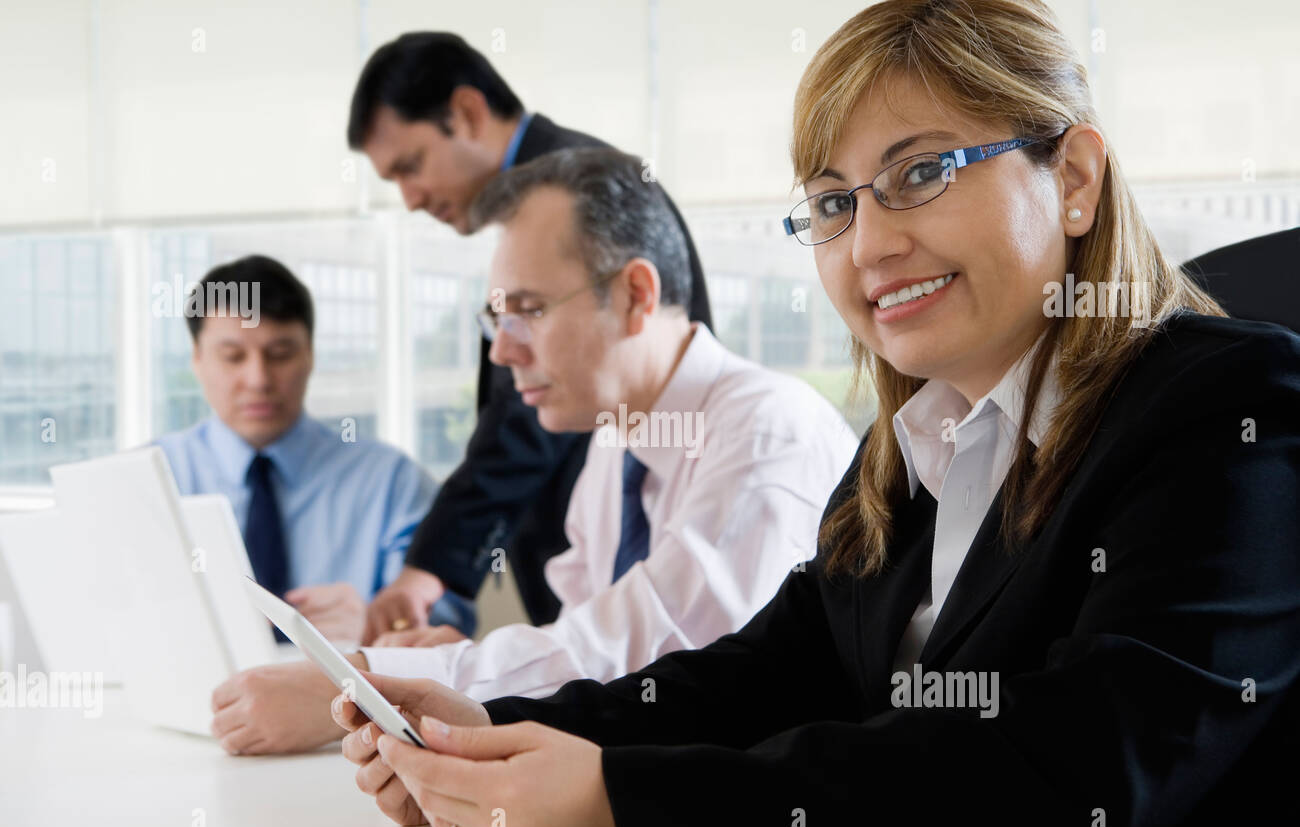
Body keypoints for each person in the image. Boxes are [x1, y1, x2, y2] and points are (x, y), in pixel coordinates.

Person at [329, 0, 1300, 827]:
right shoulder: (905, 456)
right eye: (835, 201)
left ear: (1075, 178)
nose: (870, 244)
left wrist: (623, 804)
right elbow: (765, 677)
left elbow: (1082, 764)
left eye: (920, 171)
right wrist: (495, 729)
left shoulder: (1227, 411)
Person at [212, 148, 857, 755]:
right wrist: (455, 666)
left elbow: (651, 654)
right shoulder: (615, 442)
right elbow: (582, 654)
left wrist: (368, 677)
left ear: (636, 295)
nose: (502, 350)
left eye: (529, 311)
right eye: (497, 318)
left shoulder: (768, 431)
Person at [347, 32, 713, 637]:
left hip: (637, 583)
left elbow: (520, 427)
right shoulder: (552, 197)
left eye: (410, 166)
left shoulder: (572, 194)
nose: (409, 200)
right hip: (595, 582)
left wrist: (430, 566)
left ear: (466, 113)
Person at [157, 255, 473, 651]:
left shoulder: (391, 481)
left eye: (280, 354)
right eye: (233, 356)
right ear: (197, 360)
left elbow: (447, 630)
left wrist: (376, 625)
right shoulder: (148, 481)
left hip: (347, 705)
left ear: (310, 355)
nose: (258, 380)